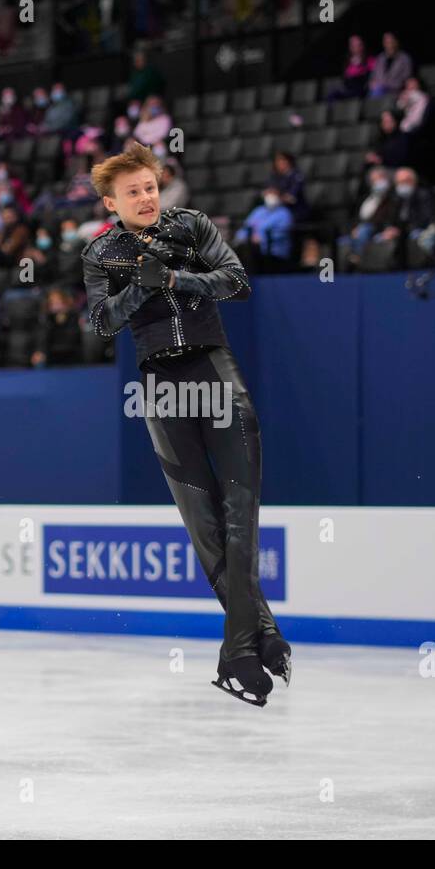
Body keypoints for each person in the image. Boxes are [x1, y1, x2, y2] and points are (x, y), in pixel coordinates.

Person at [81, 141, 291, 706]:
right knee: (205, 527)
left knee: (240, 514)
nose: (147, 197)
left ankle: (240, 650)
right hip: (162, 390)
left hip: (214, 370)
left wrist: (174, 279)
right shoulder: (99, 254)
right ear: (110, 203)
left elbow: (237, 280)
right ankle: (260, 635)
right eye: (134, 192)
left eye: (151, 186)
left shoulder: (191, 226)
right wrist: (138, 288)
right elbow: (101, 321)